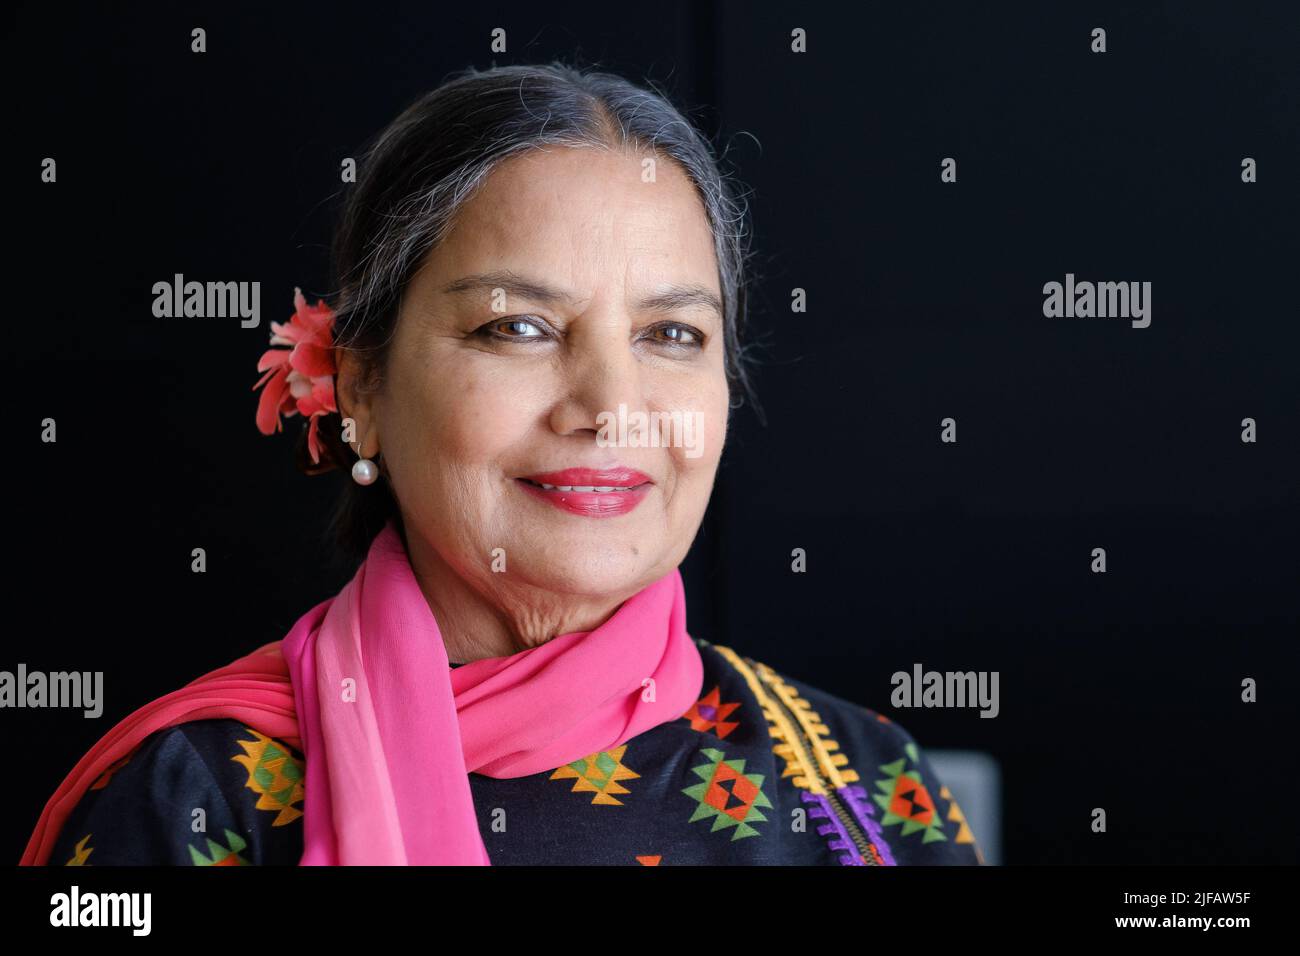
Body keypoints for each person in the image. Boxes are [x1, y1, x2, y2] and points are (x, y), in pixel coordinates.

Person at [23, 62, 983, 867]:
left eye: (674, 333)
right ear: (360, 387)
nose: (611, 408)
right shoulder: (192, 799)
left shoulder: (866, 784)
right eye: (517, 327)